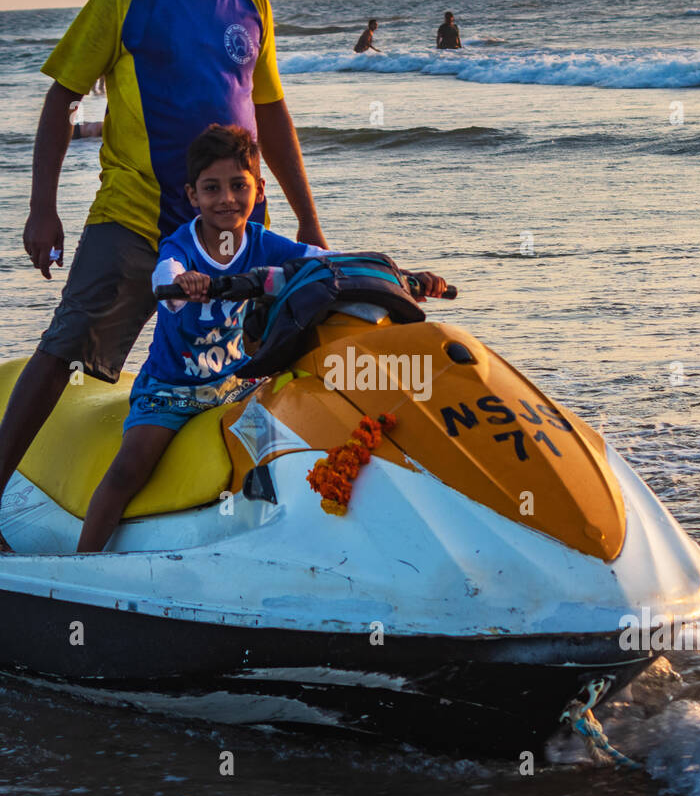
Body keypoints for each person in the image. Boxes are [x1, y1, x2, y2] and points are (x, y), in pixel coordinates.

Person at [0, 0, 327, 552]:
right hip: (132, 216)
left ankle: (263, 515)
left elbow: (270, 110)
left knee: (264, 354)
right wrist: (43, 207)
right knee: (65, 343)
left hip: (232, 225)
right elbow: (63, 98)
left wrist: (306, 216)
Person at [77, 123, 445, 552]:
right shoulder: (181, 246)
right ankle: (84, 558)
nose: (226, 198)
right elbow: (166, 275)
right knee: (129, 468)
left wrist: (404, 278)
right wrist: (185, 281)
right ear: (192, 196)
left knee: (309, 432)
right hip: (174, 389)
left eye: (238, 185)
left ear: (260, 189)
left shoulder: (265, 243)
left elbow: (329, 261)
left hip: (239, 383)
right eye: (211, 188)